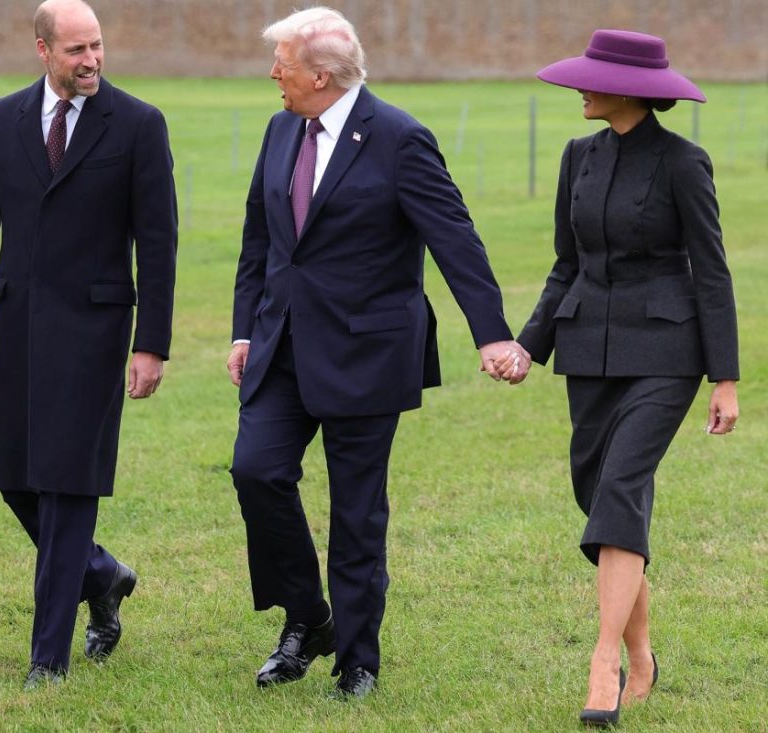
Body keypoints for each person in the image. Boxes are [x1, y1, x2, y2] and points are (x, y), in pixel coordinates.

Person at [227, 7, 525, 698]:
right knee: (255, 471)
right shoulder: (280, 131)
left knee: (357, 512)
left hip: (367, 353)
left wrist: (492, 332)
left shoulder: (399, 139)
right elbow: (260, 240)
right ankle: (307, 617)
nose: (274, 74)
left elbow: (454, 236)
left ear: (322, 75)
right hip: (282, 347)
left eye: (284, 65)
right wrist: (245, 330)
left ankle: (358, 657)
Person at [0, 0, 176, 689]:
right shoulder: (0, 119)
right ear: (42, 50)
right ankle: (102, 574)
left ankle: (49, 657)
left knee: (68, 487)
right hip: (16, 326)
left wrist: (151, 343)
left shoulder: (138, 125)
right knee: (17, 479)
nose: (91, 60)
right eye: (75, 49)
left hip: (97, 333)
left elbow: (157, 244)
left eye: (97, 46)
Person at [509, 29, 740, 727]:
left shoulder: (683, 162)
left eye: (591, 77)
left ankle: (603, 659)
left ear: (632, 89)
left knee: (620, 488)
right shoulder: (577, 157)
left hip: (667, 355)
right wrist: (527, 344)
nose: (579, 85)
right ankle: (643, 656)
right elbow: (564, 264)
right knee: (602, 499)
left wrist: (724, 379)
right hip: (588, 351)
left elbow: (713, 270)